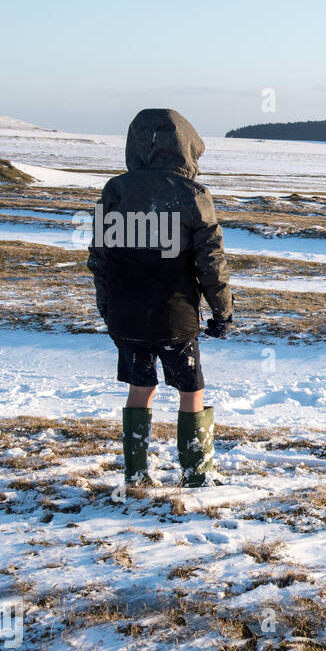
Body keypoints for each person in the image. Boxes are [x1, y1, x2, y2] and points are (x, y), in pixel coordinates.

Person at [88, 109, 234, 488]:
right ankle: (196, 473)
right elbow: (210, 260)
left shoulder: (116, 190)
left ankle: (136, 475)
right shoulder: (193, 195)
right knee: (191, 388)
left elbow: (100, 257)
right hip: (175, 311)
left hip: (126, 311)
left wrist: (106, 306)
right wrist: (222, 311)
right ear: (187, 146)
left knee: (141, 387)